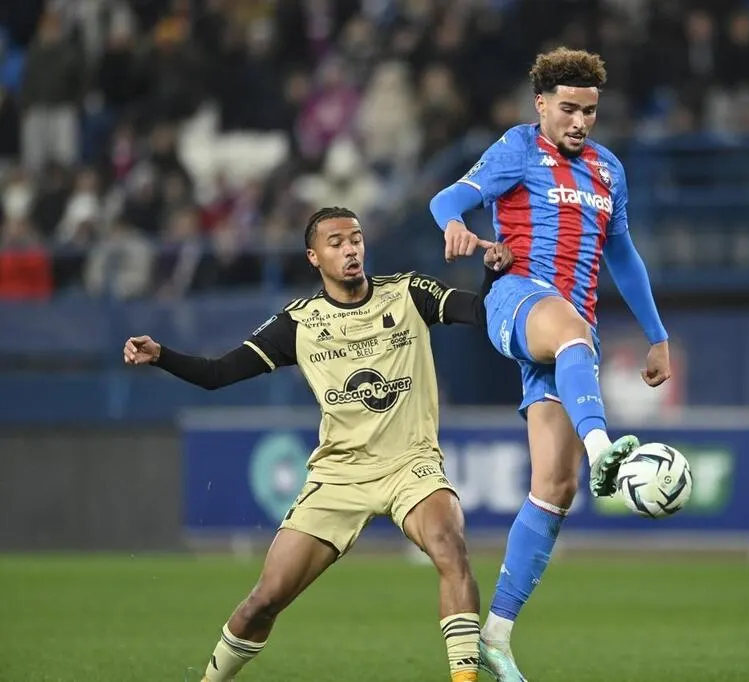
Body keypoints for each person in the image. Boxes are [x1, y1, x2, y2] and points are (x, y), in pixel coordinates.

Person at [123, 207, 511, 682]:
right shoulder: (299, 323)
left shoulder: (408, 292)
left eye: (356, 239)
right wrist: (163, 356)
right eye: (336, 243)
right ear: (314, 256)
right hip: (338, 476)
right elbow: (218, 374)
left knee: (450, 547)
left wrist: (491, 273)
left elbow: (477, 312)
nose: (350, 249)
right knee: (264, 600)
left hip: (411, 463)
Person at [428, 47, 672, 680]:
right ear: (541, 105)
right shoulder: (517, 148)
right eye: (568, 108)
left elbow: (624, 255)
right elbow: (445, 199)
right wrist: (456, 223)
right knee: (570, 332)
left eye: (589, 110)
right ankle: (606, 450)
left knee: (554, 489)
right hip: (518, 300)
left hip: (571, 337)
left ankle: (498, 636)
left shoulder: (609, 171)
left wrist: (657, 335)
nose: (580, 121)